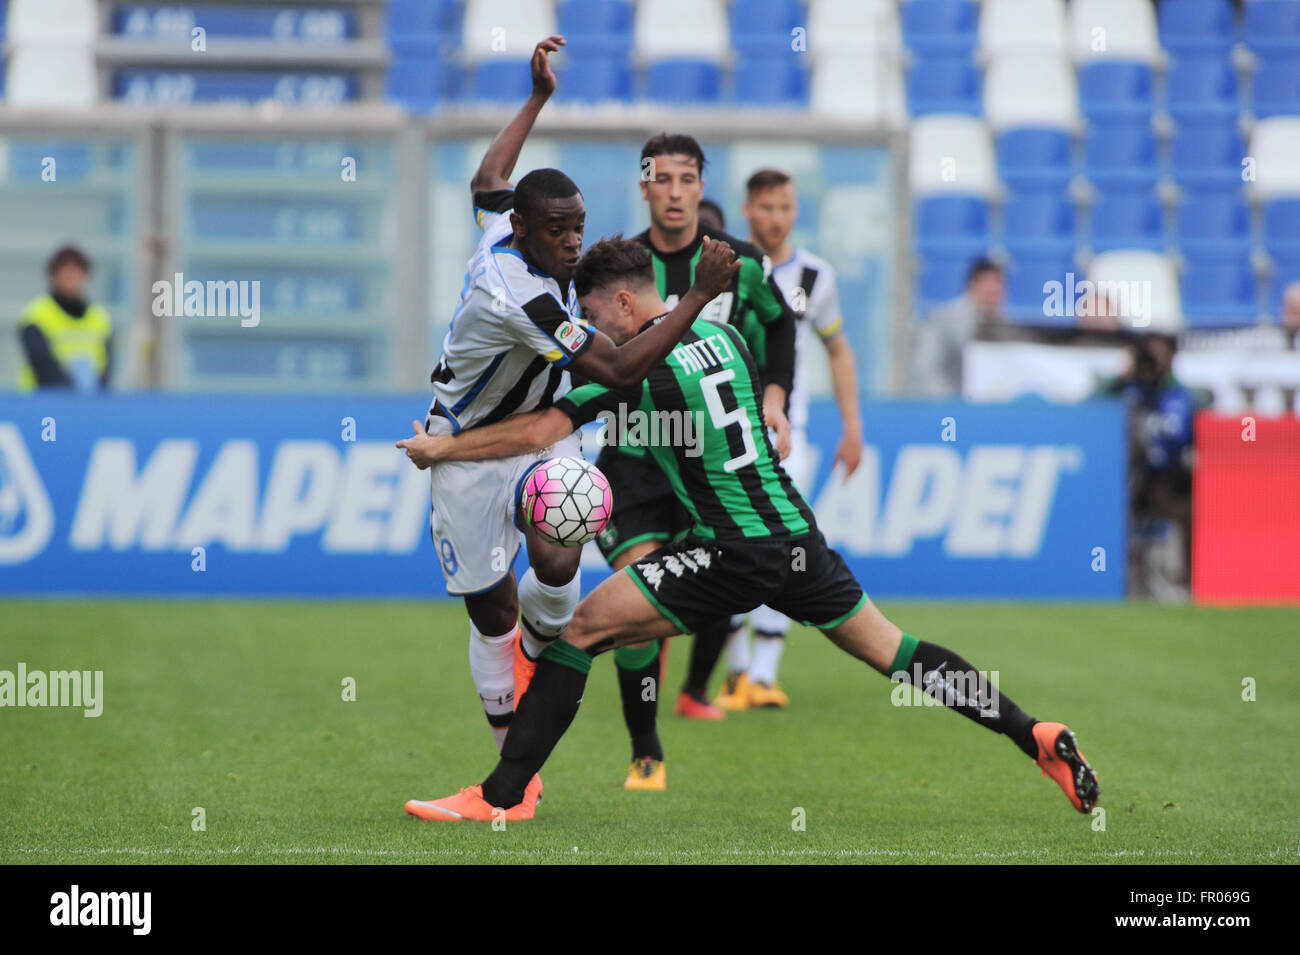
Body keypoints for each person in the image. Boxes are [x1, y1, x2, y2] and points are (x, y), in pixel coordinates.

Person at [396, 237, 1100, 823]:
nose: (589, 334)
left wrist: (444, 447)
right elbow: (761, 364)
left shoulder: (635, 369)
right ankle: (1030, 731)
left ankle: (502, 795)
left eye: (591, 314)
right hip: (798, 537)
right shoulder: (724, 333)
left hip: (731, 550)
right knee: (899, 651)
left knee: (580, 630)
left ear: (623, 302)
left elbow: (540, 429)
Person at [417, 35, 740, 807]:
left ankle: (537, 661)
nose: (573, 241)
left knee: (566, 520)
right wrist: (694, 296)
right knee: (490, 607)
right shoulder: (516, 291)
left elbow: (490, 176)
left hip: (545, 432)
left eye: (578, 224)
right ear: (524, 234)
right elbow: (618, 369)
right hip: (465, 446)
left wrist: (536, 99)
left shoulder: (507, 221)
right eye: (558, 231)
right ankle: (516, 770)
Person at [580, 132, 797, 792]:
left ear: (703, 186)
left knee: (712, 593)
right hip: (636, 456)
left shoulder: (740, 263)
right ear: (643, 187)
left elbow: (780, 326)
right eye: (661, 179)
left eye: (686, 179)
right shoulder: (620, 271)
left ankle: (697, 687)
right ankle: (646, 749)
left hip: (709, 463)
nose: (674, 192)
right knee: (632, 599)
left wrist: (775, 399)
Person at [709, 167, 864, 711]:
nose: (776, 219)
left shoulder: (815, 277)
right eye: (766, 208)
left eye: (786, 209)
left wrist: (852, 426)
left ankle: (764, 674)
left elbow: (838, 349)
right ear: (747, 209)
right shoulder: (721, 266)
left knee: (782, 546)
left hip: (782, 433)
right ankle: (733, 670)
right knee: (722, 544)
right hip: (716, 429)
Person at [18, 245, 113, 391]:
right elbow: (43, 366)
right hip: (41, 404)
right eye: (66, 271)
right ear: (54, 276)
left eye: (77, 271)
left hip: (89, 405)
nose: (72, 277)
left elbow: (106, 369)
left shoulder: (100, 318)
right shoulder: (36, 316)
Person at [909, 257, 1006, 397]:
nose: (993, 291)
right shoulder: (945, 319)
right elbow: (926, 369)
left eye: (997, 285)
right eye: (987, 284)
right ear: (972, 285)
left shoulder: (1003, 323)